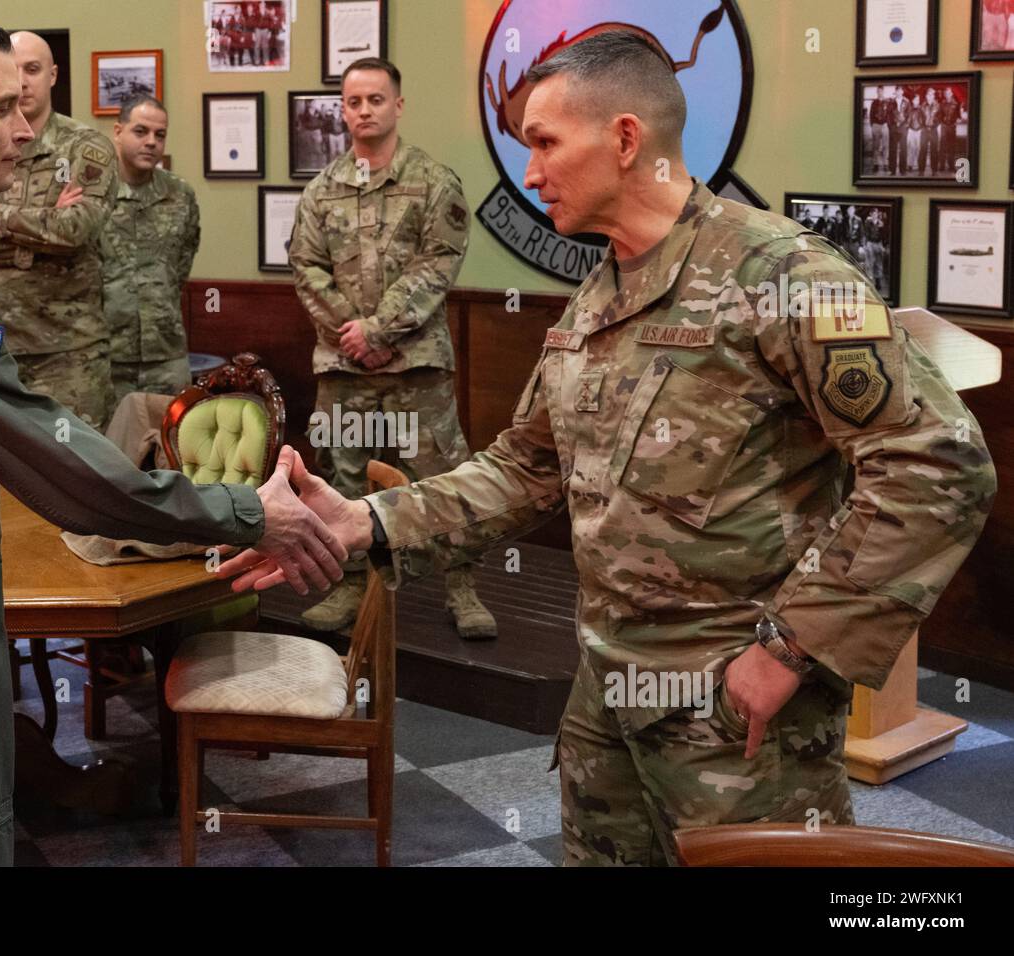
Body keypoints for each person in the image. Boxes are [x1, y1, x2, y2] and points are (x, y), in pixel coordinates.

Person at [223, 31, 997, 866]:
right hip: (604, 697)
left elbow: (938, 463)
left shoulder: (784, 274)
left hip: (734, 712)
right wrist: (364, 519)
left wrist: (792, 647)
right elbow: (525, 468)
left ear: (626, 140)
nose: (530, 173)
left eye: (546, 144)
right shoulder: (597, 298)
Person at [0, 2, 346, 867]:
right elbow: (51, 457)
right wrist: (246, 512)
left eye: (25, 105)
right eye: (1, 109)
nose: (24, 130)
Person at [287, 57, 497, 640]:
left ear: (397, 105)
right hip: (343, 366)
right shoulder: (321, 190)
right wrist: (351, 335)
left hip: (416, 363)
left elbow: (440, 262)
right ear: (342, 110)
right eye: (353, 102)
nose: (363, 111)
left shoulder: (434, 182)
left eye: (375, 100)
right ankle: (351, 582)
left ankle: (462, 587)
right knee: (342, 475)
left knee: (442, 474)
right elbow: (305, 266)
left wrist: (377, 331)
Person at [0, 31, 118, 431]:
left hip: (68, 353)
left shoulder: (86, 147)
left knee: (79, 480)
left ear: (53, 75)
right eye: (12, 70)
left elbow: (76, 229)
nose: (23, 80)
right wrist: (40, 222)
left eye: (32, 69)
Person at [99, 94, 199, 402]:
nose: (151, 142)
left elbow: (181, 264)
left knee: (173, 445)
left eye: (160, 134)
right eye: (140, 131)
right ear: (118, 132)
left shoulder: (179, 195)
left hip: (165, 353)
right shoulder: (94, 193)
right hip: (105, 352)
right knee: (104, 448)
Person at [937, 87, 961, 175]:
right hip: (944, 126)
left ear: (951, 93)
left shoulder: (956, 103)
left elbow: (959, 116)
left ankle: (951, 165)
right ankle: (942, 166)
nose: (947, 94)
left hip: (952, 126)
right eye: (945, 93)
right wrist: (940, 122)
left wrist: (956, 121)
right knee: (942, 146)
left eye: (948, 93)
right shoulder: (942, 103)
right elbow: (939, 114)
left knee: (951, 147)